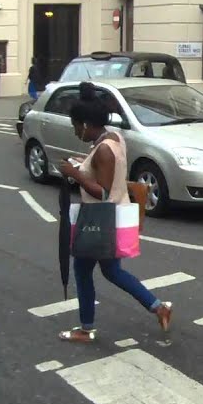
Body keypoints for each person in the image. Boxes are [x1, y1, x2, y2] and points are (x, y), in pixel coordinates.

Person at [55, 82, 173, 342]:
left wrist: (74, 173)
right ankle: (158, 307)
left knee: (83, 271)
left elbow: (103, 193)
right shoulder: (113, 138)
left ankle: (86, 329)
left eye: (75, 126)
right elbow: (105, 170)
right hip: (114, 218)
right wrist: (83, 164)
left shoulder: (104, 150)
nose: (75, 131)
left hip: (99, 220)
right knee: (111, 271)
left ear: (86, 124)